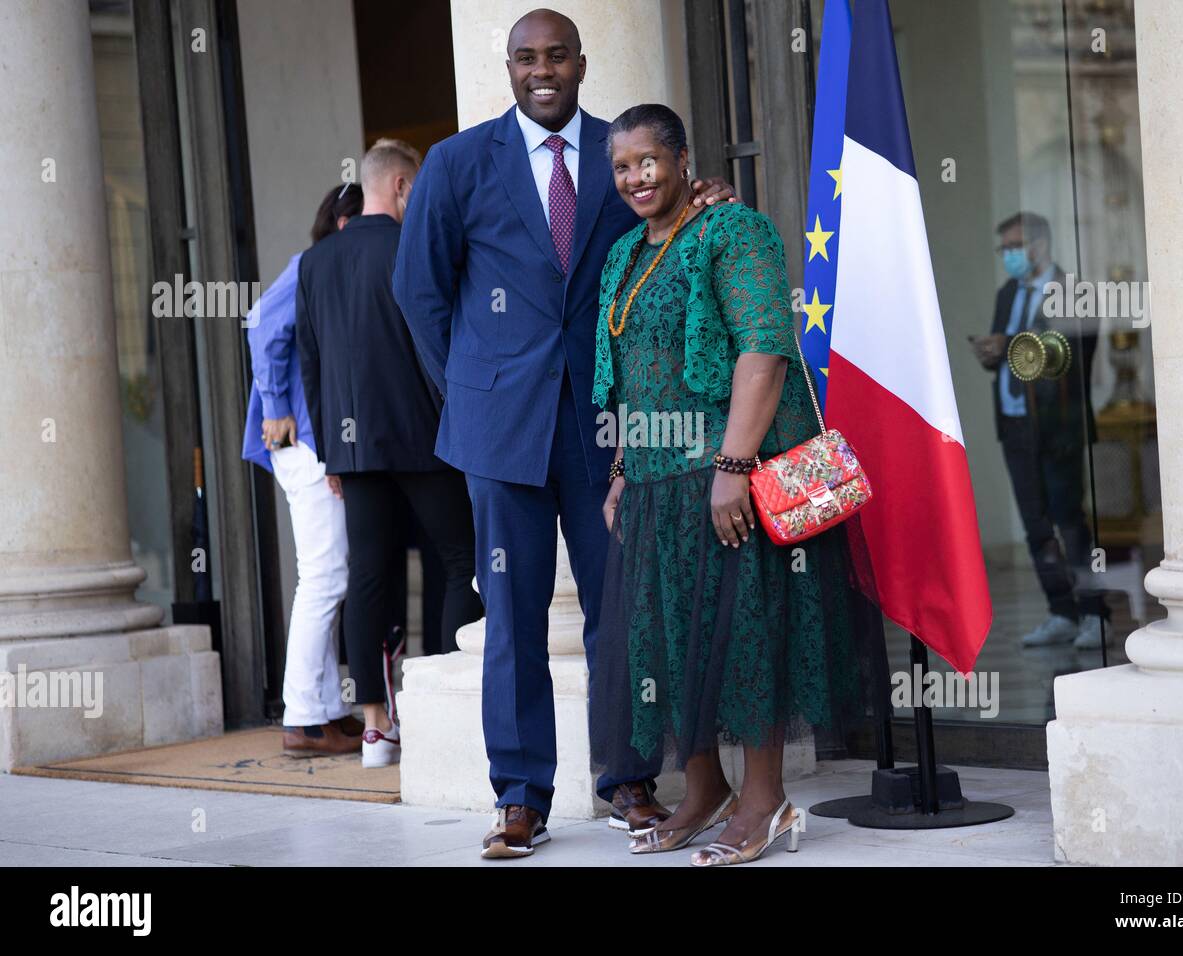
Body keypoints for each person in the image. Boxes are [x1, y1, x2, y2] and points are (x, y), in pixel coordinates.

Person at [393, 9, 735, 858]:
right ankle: (519, 796)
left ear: (581, 65)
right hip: (499, 436)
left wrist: (710, 203)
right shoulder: (458, 163)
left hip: (605, 432)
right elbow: (418, 292)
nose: (541, 71)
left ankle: (627, 780)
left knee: (622, 612)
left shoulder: (622, 162)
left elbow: (667, 237)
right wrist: (475, 390)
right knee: (510, 614)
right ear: (507, 67)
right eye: (525, 59)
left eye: (556, 57)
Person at [588, 104, 865, 867]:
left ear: (682, 160)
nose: (637, 177)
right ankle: (705, 793)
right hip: (652, 483)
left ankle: (765, 801)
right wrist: (620, 468)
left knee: (745, 637)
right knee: (673, 649)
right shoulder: (619, 255)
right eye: (622, 166)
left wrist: (734, 467)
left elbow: (765, 349)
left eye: (649, 161)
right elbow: (627, 376)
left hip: (719, 475)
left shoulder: (732, 231)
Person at [298, 138, 483, 769]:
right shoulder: (413, 247)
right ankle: (453, 703)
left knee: (368, 577)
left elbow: (311, 364)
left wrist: (329, 454)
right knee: (462, 561)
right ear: (403, 186)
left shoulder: (315, 262)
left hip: (351, 445)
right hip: (424, 435)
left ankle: (376, 728)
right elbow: (441, 342)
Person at [242, 183, 364, 758]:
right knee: (324, 577)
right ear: (345, 222)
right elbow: (261, 321)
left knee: (328, 576)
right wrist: (275, 407)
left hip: (310, 443)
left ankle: (323, 712)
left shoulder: (322, 268)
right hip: (300, 443)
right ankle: (302, 718)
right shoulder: (310, 265)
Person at [968, 211, 1103, 650]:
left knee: (1070, 521)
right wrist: (991, 352)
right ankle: (1061, 612)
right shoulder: (1008, 292)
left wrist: (1010, 344)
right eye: (1003, 249)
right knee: (1035, 525)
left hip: (1057, 426)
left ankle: (1094, 615)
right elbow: (1007, 351)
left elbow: (1068, 355)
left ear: (1039, 246)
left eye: (1014, 247)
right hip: (1015, 424)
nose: (1008, 256)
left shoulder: (1073, 291)